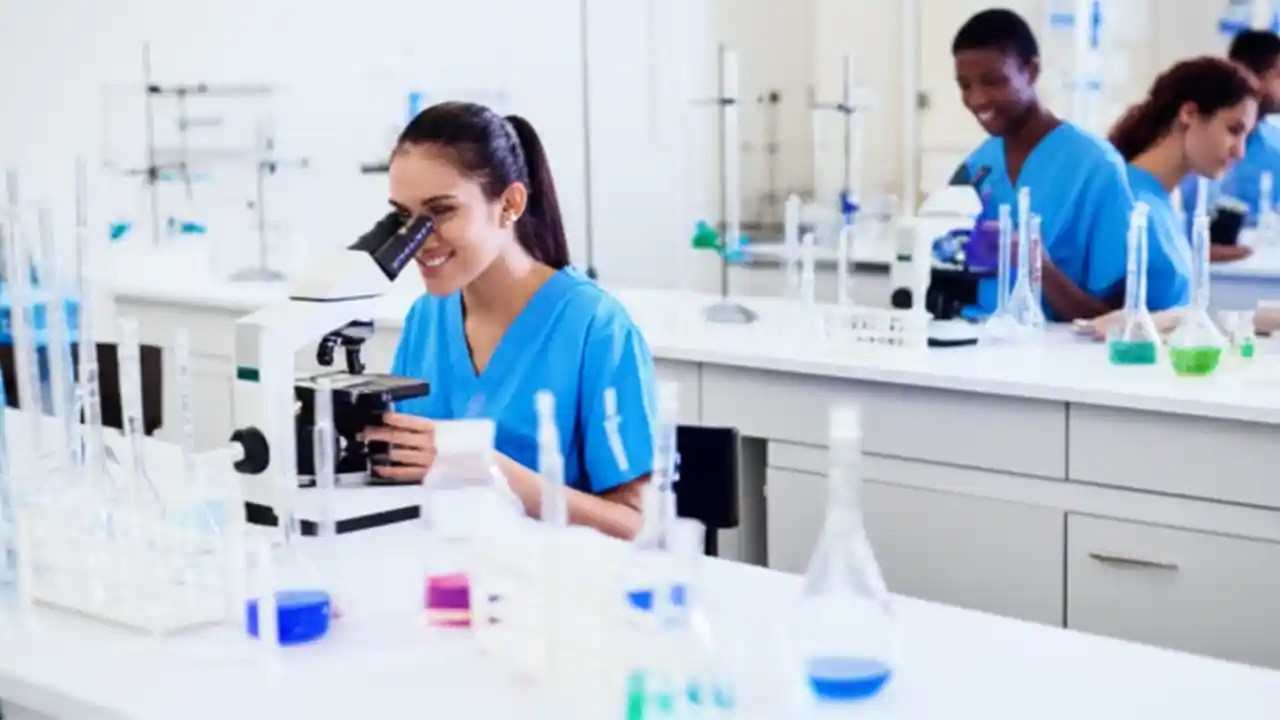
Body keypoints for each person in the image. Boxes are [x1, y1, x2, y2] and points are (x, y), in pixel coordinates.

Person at [361, 102, 656, 540]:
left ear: (510, 204)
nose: (417, 240)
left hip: (554, 588)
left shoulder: (596, 327)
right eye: (403, 218)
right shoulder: (425, 317)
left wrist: (486, 467)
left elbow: (640, 527)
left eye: (440, 212)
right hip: (444, 575)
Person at [952, 8, 1132, 321]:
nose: (977, 99)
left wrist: (1039, 268)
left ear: (1032, 72)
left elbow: (1116, 318)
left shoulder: (1095, 167)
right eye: (965, 86)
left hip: (1058, 358)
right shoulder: (977, 168)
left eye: (993, 81)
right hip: (975, 349)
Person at [1108, 57, 1259, 310]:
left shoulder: (1165, 199)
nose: (1240, 152)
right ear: (1189, 113)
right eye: (1233, 130)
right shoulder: (1129, 201)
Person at [1181, 29, 1280, 260]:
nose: (1237, 150)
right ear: (1254, 77)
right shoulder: (1195, 145)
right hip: (1198, 271)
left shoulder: (1275, 148)